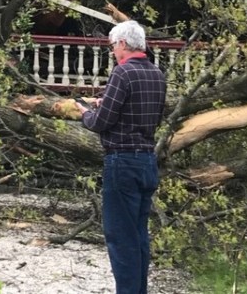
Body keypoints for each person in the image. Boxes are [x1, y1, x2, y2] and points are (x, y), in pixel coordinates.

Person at [78, 19, 167, 294]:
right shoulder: (157, 74)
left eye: (113, 46)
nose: (113, 51)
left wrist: (84, 112)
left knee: (120, 237)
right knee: (139, 234)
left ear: (123, 44)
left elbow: (101, 121)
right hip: (147, 161)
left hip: (122, 162)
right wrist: (105, 104)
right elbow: (146, 112)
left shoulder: (123, 73)